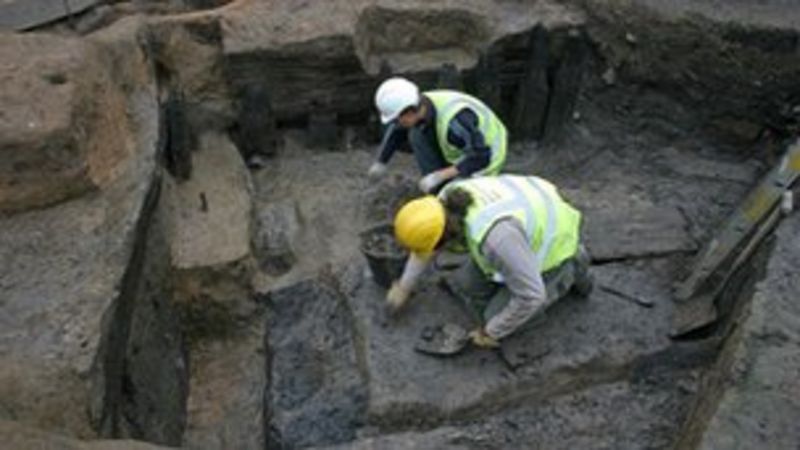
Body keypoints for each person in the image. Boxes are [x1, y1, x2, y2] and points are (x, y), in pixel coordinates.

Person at [386, 174, 593, 348]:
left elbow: (531, 296)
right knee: (465, 285)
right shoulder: (445, 200)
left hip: (554, 240)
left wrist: (490, 332)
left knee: (496, 315)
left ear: (444, 235)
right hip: (525, 215)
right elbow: (426, 247)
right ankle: (516, 269)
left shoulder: (496, 239)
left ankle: (572, 265)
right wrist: (404, 286)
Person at [368, 77, 508, 193]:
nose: (396, 123)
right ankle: (437, 189)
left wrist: (440, 176)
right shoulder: (422, 104)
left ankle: (444, 188)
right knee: (416, 134)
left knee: (456, 197)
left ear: (409, 112)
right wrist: (381, 161)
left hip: (486, 158)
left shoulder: (455, 123)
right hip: (460, 148)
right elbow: (397, 131)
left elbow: (481, 157)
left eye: (397, 119)